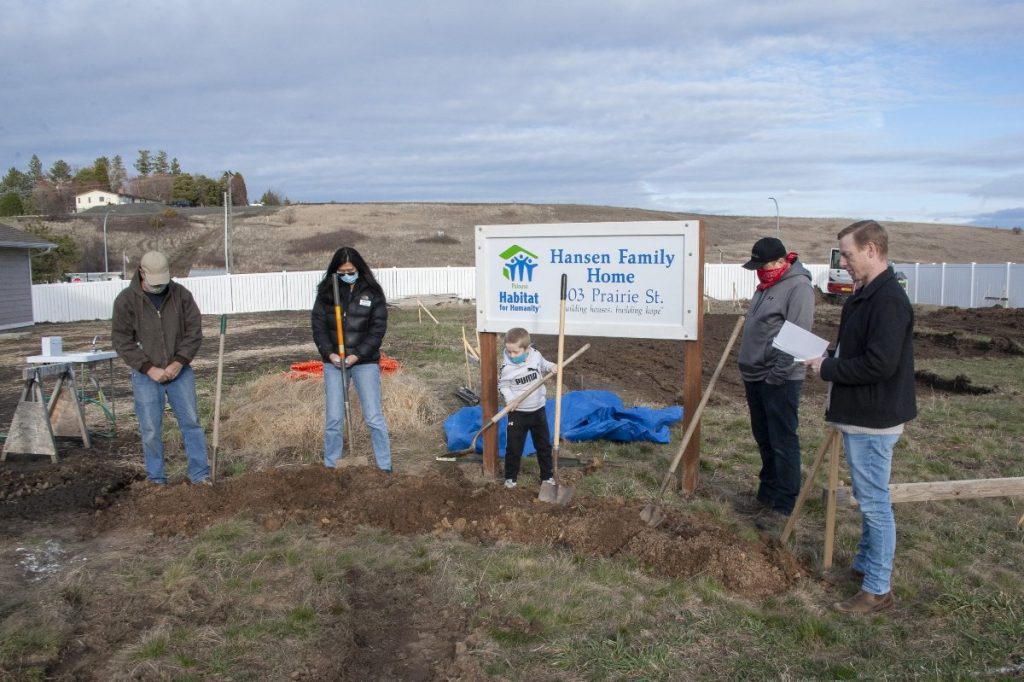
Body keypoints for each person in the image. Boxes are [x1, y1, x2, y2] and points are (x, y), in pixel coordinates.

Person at [807, 220, 917, 615]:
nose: (845, 263)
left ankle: (877, 590)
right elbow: (859, 349)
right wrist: (830, 358)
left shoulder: (888, 300)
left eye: (849, 255)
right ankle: (866, 566)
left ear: (872, 250)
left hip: (873, 418)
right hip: (862, 414)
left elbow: (880, 364)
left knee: (874, 504)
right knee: (871, 497)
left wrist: (829, 371)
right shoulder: (868, 294)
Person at [111, 251, 211, 486]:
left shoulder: (181, 296)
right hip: (147, 377)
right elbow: (122, 341)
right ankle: (156, 479)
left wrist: (179, 362)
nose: (159, 287)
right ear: (142, 273)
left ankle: (199, 475)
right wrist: (148, 368)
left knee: (192, 424)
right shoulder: (126, 301)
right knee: (150, 430)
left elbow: (194, 332)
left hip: (180, 373)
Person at [737, 236, 816, 529]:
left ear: (781, 261)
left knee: (782, 441)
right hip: (755, 376)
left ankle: (784, 505)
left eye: (763, 265)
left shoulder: (799, 288)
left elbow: (799, 337)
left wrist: (775, 376)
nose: (759, 270)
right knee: (764, 438)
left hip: (779, 379)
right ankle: (766, 494)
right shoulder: (766, 285)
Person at [311, 247, 392, 472]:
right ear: (335, 271)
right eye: (342, 271)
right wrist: (330, 353)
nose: (347, 275)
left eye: (351, 270)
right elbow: (318, 327)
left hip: (364, 361)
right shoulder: (327, 293)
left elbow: (377, 330)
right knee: (334, 418)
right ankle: (331, 465)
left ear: (359, 269)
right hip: (334, 362)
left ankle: (384, 467)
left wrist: (358, 355)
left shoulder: (372, 293)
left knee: (374, 416)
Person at [498, 327, 556, 489]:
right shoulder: (506, 368)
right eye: (509, 352)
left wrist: (552, 366)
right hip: (518, 413)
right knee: (514, 448)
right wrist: (510, 400)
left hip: (538, 410)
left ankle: (547, 477)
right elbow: (503, 386)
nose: (512, 356)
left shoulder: (535, 355)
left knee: (543, 445)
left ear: (527, 349)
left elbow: (544, 365)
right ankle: (510, 478)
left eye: (516, 352)